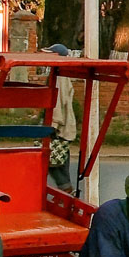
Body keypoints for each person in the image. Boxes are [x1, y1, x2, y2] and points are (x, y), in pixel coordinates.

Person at [45, 44, 78, 192]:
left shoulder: (59, 77)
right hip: (60, 126)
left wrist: (53, 124)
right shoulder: (59, 74)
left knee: (55, 163)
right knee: (55, 162)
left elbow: (58, 102)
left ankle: (67, 195)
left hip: (58, 128)